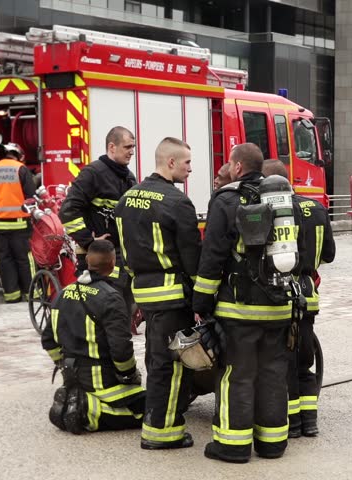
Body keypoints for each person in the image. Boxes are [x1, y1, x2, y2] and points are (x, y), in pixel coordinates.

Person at [193, 143, 295, 464]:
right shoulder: (282, 202)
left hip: (238, 310)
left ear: (237, 168)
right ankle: (272, 444)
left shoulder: (226, 200)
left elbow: (212, 258)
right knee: (273, 373)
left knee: (236, 374)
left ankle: (233, 446)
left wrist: (202, 301)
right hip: (279, 306)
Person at [114, 137, 201, 450]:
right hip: (172, 295)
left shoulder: (127, 198)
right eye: (188, 163)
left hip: (144, 293)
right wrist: (202, 296)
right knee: (172, 363)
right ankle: (163, 431)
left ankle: (156, 417)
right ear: (171, 163)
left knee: (155, 358)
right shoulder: (178, 203)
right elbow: (192, 258)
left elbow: (123, 250)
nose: (191, 169)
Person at [261, 159, 335, 439]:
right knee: (305, 361)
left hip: (281, 296)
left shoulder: (273, 209)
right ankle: (310, 421)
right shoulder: (316, 208)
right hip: (308, 296)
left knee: (284, 363)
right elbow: (329, 254)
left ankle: (291, 423)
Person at [41, 239, 146, 434]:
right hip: (101, 381)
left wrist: (63, 365)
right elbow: (121, 350)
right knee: (152, 410)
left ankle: (75, 396)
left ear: (88, 261)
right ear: (113, 263)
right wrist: (130, 375)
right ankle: (87, 409)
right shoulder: (111, 298)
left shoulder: (63, 294)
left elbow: (48, 340)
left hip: (71, 376)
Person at [60, 126, 137, 313]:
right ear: (112, 147)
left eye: (133, 147)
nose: (132, 152)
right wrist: (89, 241)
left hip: (120, 256)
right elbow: (68, 210)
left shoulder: (128, 177)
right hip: (96, 258)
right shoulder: (93, 173)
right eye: (127, 147)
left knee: (120, 308)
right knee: (101, 310)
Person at [0, 143, 36, 303]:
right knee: (24, 259)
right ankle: (30, 294)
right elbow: (30, 197)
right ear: (17, 155)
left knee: (5, 260)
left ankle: (11, 296)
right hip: (20, 223)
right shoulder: (20, 169)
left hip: (0, 224)